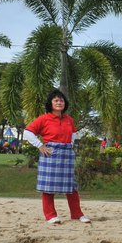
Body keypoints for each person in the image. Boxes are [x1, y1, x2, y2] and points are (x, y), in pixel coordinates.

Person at [23, 88, 91, 225]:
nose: (59, 102)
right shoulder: (44, 118)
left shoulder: (69, 120)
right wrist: (40, 145)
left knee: (71, 187)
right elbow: (27, 132)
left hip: (66, 154)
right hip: (50, 153)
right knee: (48, 187)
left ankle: (77, 214)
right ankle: (50, 216)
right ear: (51, 103)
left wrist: (70, 145)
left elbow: (73, 133)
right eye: (56, 100)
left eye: (61, 100)